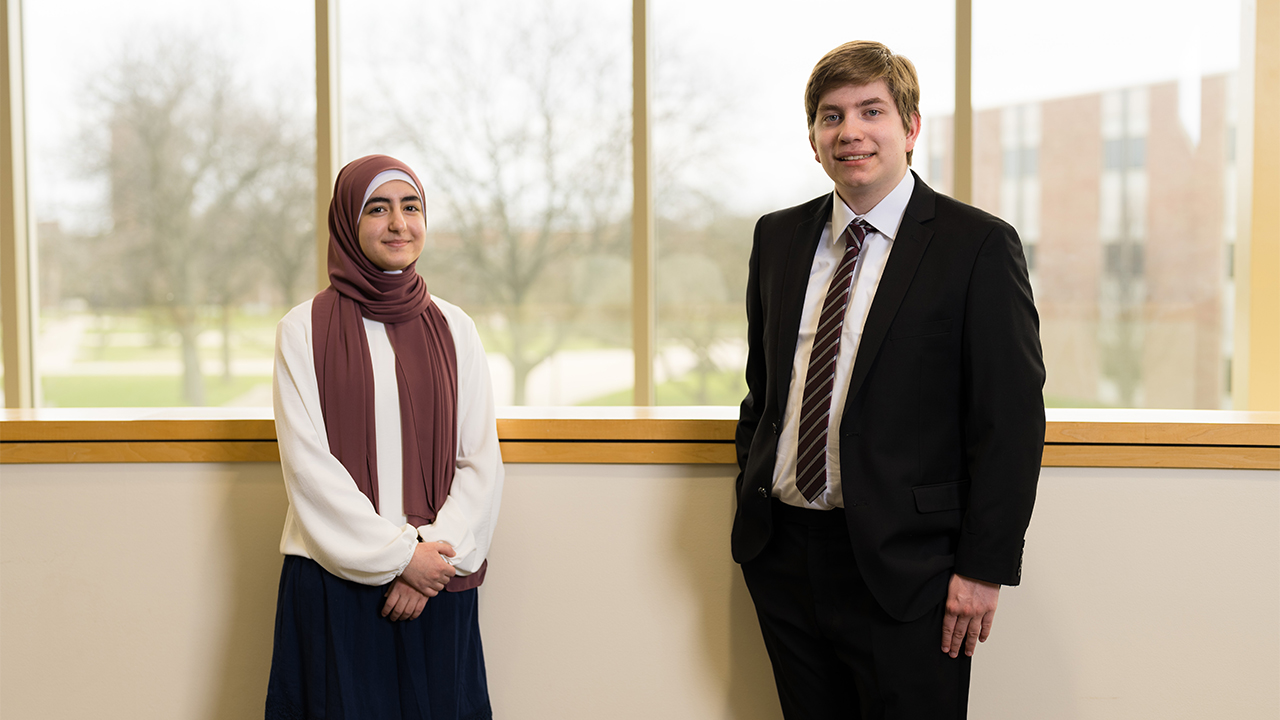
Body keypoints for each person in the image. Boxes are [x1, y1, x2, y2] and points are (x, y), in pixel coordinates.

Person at [733, 41, 1044, 718]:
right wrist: (751, 502)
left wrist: (982, 567)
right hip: (784, 558)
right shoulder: (777, 238)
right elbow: (764, 392)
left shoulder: (977, 246)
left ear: (910, 127)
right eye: (831, 115)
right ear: (814, 139)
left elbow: (1011, 423)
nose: (850, 131)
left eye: (871, 111)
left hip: (912, 572)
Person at [266, 154, 503, 720]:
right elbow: (308, 467)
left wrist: (428, 564)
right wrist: (400, 559)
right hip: (336, 583)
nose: (399, 223)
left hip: (438, 580)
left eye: (411, 206)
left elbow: (480, 461)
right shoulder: (302, 329)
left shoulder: (456, 328)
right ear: (347, 221)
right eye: (377, 209)